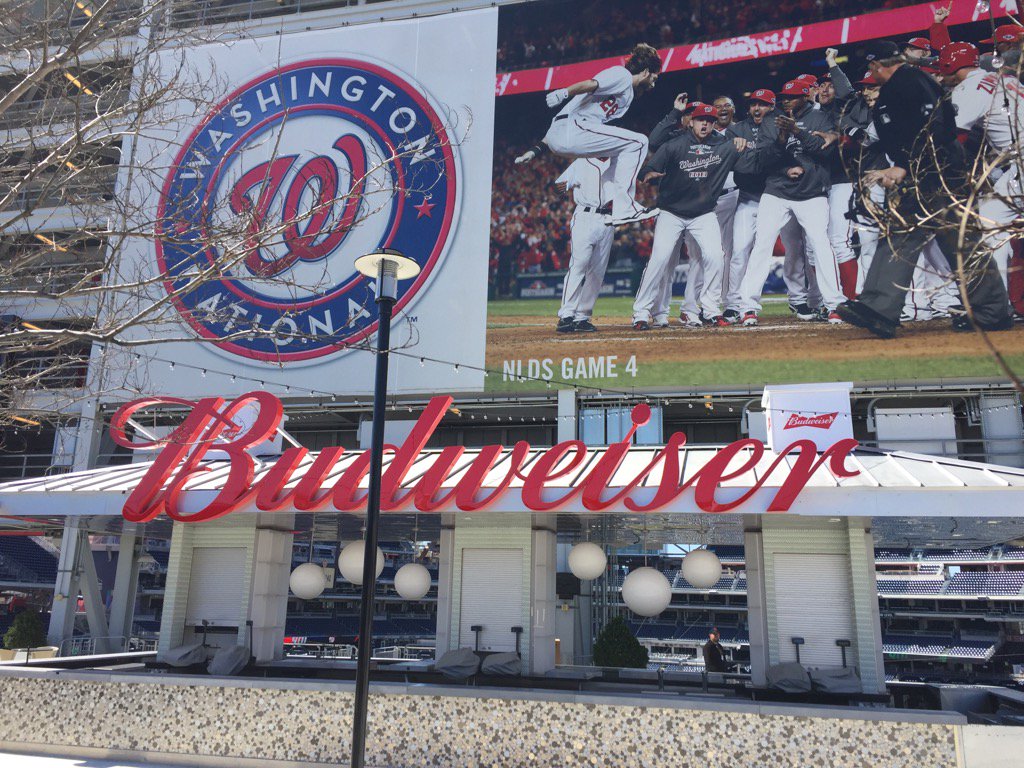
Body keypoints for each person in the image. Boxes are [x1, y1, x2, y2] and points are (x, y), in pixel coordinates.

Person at [837, 40, 1012, 337]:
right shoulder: (903, 83)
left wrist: (903, 166)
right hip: (927, 172)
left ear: (877, 65)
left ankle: (990, 311)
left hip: (938, 173)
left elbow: (934, 125)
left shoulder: (911, 81)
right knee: (909, 234)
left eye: (871, 68)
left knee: (954, 240)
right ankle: (881, 309)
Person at [631, 103, 778, 329]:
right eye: (701, 120)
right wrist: (648, 173)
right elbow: (647, 167)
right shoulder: (675, 144)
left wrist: (747, 145)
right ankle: (641, 312)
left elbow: (754, 165)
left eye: (710, 121)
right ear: (692, 122)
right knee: (660, 259)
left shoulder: (724, 145)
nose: (705, 124)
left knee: (715, 257)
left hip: (703, 213)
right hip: (671, 212)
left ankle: (710, 309)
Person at [735, 79, 845, 326]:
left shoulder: (821, 118)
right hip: (777, 191)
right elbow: (763, 159)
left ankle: (833, 304)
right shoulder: (772, 120)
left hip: (812, 192)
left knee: (821, 245)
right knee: (762, 245)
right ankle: (748, 307)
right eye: (784, 97)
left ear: (805, 97)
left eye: (792, 97)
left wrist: (797, 132)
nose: (786, 101)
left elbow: (826, 151)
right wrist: (782, 140)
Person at [519, 43, 663, 227]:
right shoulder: (623, 75)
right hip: (572, 127)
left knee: (624, 150)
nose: (654, 82)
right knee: (639, 142)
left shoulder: (627, 95)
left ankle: (616, 205)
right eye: (654, 77)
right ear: (645, 72)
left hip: (565, 133)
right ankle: (624, 208)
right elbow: (591, 84)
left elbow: (555, 133)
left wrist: (534, 151)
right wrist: (564, 92)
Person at [553, 158, 615, 333]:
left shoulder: (616, 162)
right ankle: (566, 315)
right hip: (585, 216)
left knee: (597, 272)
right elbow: (558, 185)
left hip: (609, 218)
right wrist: (565, 185)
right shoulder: (582, 161)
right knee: (578, 266)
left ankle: (582, 317)